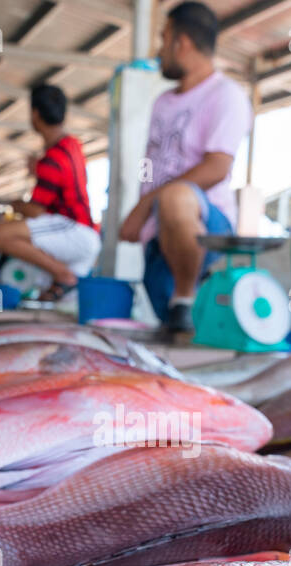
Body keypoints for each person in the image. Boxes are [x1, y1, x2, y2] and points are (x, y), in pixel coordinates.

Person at [117, 2, 252, 340]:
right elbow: (150, 165)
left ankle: (186, 296)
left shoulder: (227, 95)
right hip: (159, 238)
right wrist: (144, 216)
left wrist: (144, 204)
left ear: (183, 42)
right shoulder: (162, 103)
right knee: (174, 337)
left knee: (175, 197)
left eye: (164, 39)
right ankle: (179, 305)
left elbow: (218, 167)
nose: (159, 50)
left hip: (205, 226)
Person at [0, 84, 100, 300]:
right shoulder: (72, 145)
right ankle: (60, 280)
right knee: (59, 307)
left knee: (1, 234)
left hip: (72, 231)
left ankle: (62, 275)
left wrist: (14, 204)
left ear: (35, 114)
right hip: (84, 234)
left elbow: (36, 213)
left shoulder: (52, 159)